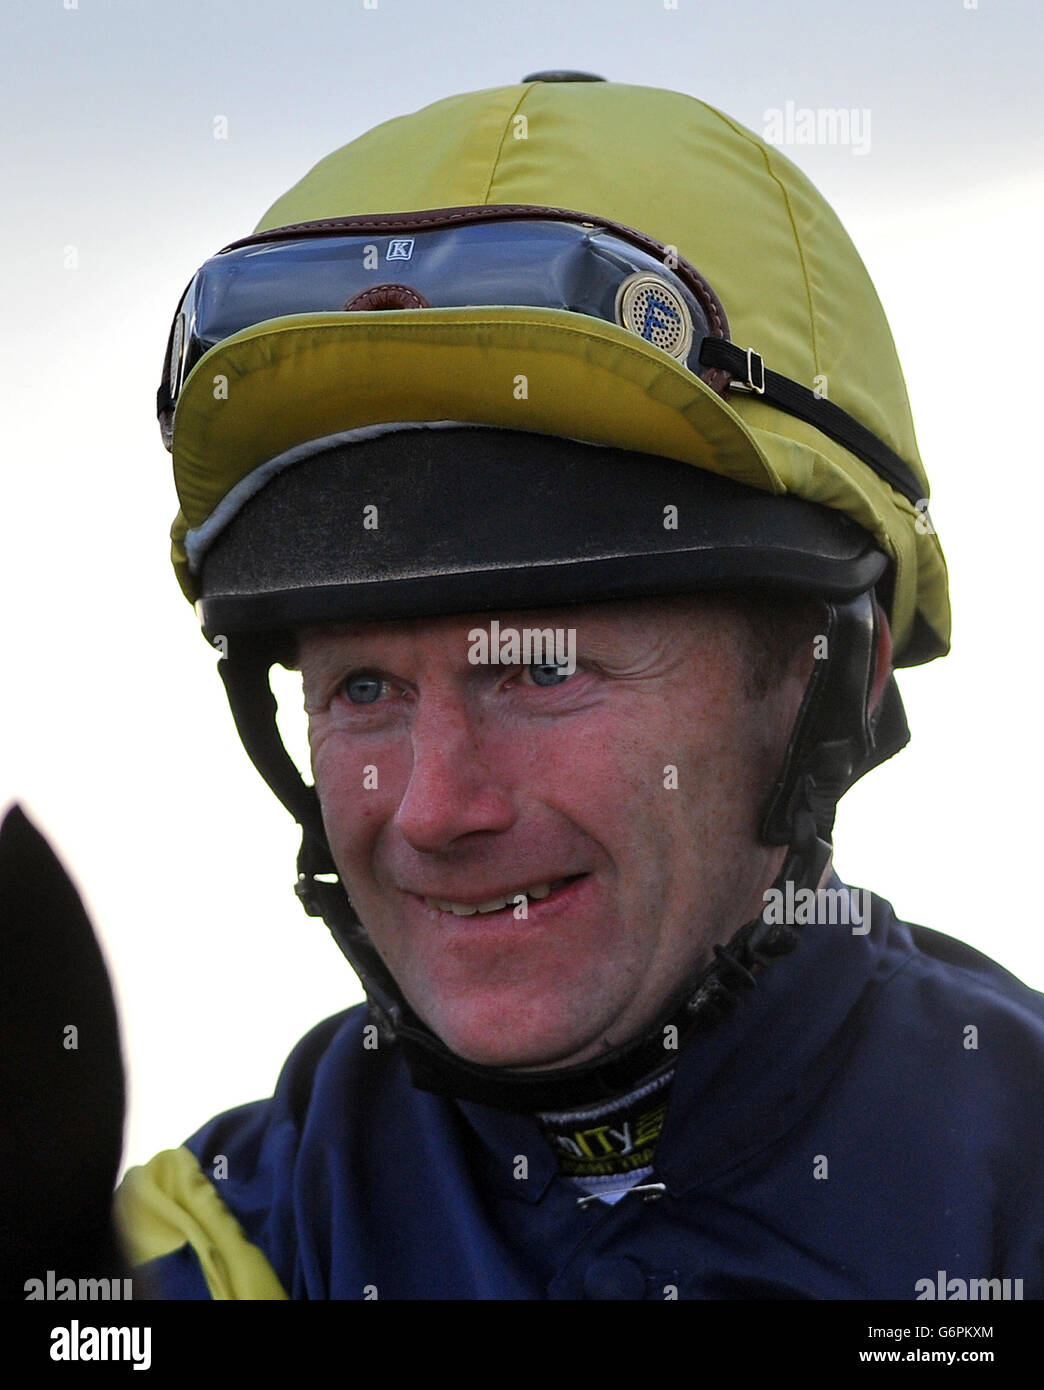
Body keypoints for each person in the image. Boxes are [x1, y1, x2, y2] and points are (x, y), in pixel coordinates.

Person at [115, 73, 1044, 1301]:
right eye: (363, 690)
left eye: (541, 667)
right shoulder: (211, 1246)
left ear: (834, 678)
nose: (438, 808)